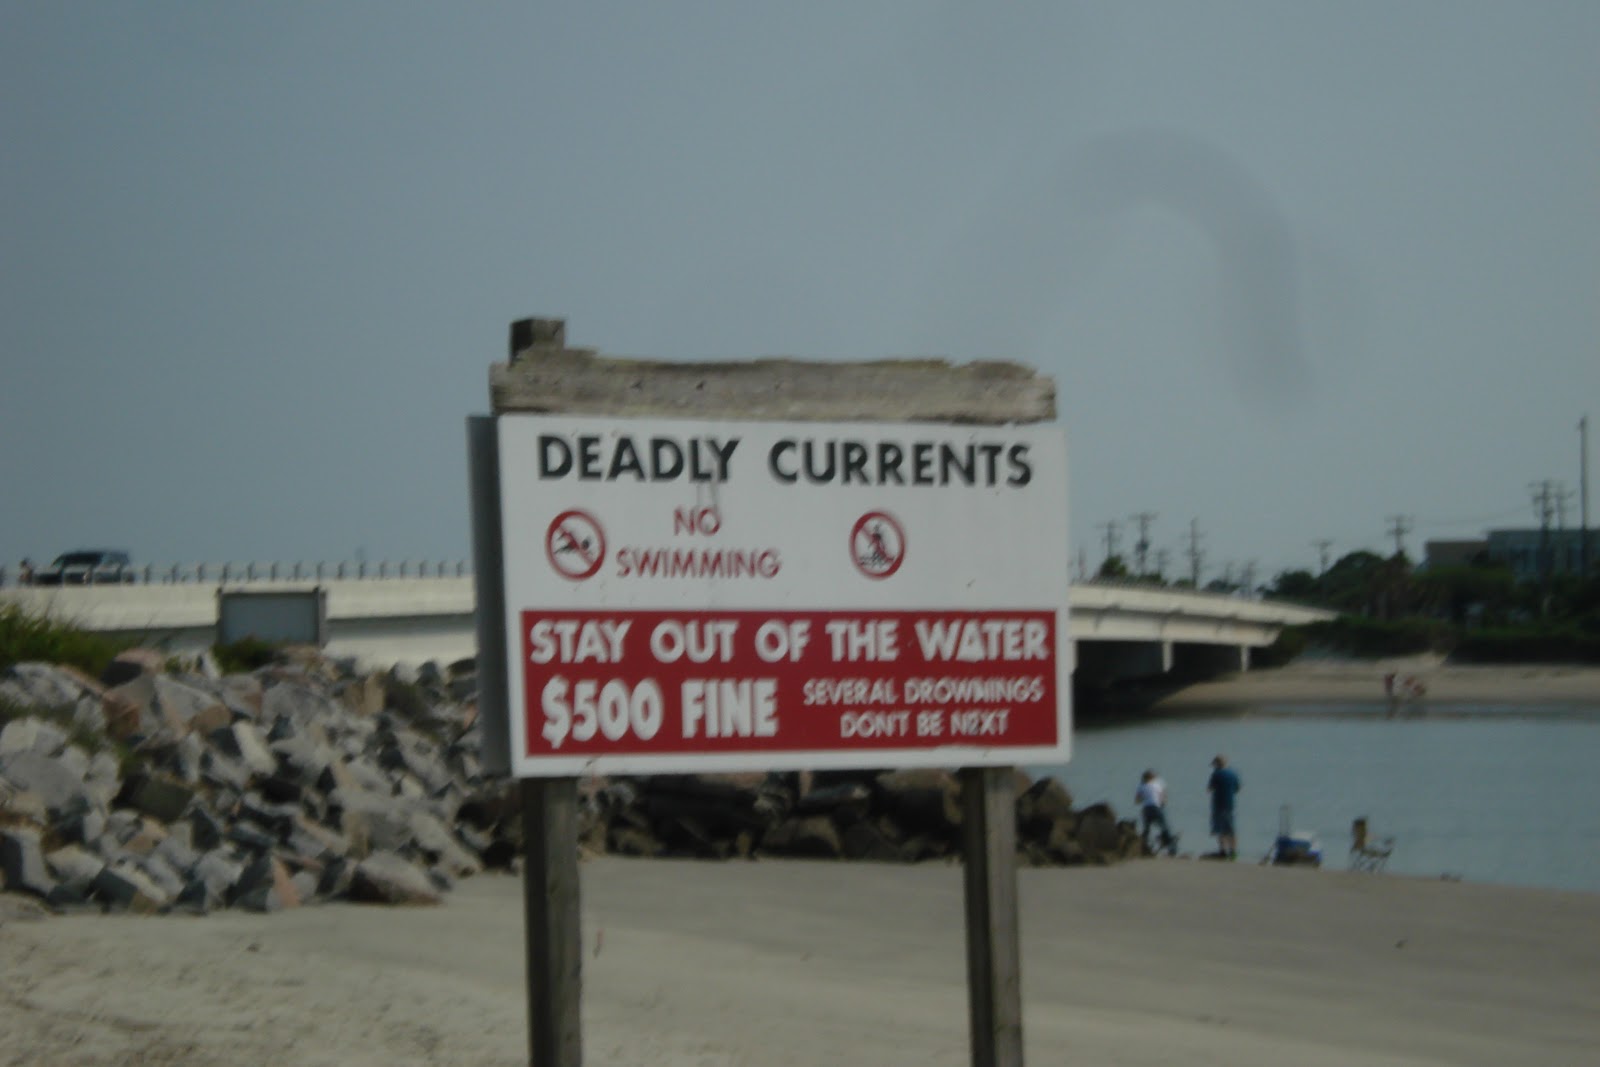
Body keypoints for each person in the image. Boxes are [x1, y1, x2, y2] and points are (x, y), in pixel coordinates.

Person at [1134, 769, 1176, 856]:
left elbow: (1137, 801)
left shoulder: (1141, 786)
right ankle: (1172, 848)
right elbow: (1163, 799)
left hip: (1146, 809)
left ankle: (1143, 848)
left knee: (1146, 829)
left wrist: (1144, 797)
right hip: (1156, 808)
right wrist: (1161, 803)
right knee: (1164, 828)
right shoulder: (1158, 784)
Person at [1207, 754, 1241, 859]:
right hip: (1230, 804)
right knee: (1231, 829)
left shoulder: (1216, 774)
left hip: (1218, 805)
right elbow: (1237, 789)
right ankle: (1233, 852)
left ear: (1217, 764)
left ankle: (1223, 851)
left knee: (1220, 829)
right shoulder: (1233, 773)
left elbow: (1209, 788)